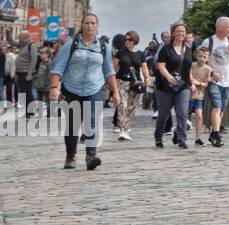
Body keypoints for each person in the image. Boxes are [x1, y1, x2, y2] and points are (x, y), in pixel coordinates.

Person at [49, 13, 120, 171]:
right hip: (71, 87)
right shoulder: (71, 44)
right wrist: (54, 88)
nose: (89, 26)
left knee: (92, 120)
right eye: (87, 23)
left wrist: (115, 92)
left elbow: (109, 71)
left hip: (94, 88)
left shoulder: (103, 47)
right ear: (82, 25)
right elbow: (58, 67)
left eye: (92, 23)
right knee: (73, 124)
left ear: (97, 26)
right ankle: (70, 155)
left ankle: (91, 155)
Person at [154, 21, 193, 149]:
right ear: (173, 33)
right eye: (178, 31)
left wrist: (191, 82)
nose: (181, 33)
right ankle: (158, 137)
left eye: (183, 31)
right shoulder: (166, 49)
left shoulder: (189, 49)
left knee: (182, 113)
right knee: (163, 115)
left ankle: (181, 138)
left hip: (183, 86)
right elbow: (160, 65)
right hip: (165, 87)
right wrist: (169, 77)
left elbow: (189, 68)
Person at [198, 17, 229, 147]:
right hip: (214, 80)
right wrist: (212, 73)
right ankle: (217, 134)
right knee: (217, 106)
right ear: (220, 28)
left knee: (222, 108)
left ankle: (214, 133)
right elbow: (200, 60)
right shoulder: (208, 41)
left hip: (228, 80)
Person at [113, 31, 148, 141]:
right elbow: (114, 68)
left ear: (135, 41)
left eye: (129, 39)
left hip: (135, 82)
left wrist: (147, 78)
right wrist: (111, 81)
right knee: (122, 104)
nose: (127, 41)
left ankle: (127, 130)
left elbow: (144, 68)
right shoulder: (120, 53)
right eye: (125, 39)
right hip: (122, 81)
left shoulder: (141, 54)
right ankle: (122, 130)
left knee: (131, 107)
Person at [188, 45, 212, 146]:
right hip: (188, 94)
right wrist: (192, 83)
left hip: (199, 95)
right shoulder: (191, 65)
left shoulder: (207, 69)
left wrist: (198, 83)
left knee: (199, 115)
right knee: (184, 116)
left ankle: (198, 138)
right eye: (200, 56)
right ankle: (178, 132)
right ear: (196, 56)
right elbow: (188, 76)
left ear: (208, 58)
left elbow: (206, 84)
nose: (202, 59)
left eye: (204, 57)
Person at [14, 31, 38, 116]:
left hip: (26, 73)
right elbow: (12, 43)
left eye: (19, 37)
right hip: (20, 73)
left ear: (24, 37)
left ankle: (30, 111)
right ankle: (28, 111)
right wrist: (7, 33)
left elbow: (34, 59)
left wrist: (30, 73)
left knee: (28, 92)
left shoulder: (32, 45)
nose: (18, 38)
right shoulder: (22, 45)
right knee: (24, 92)